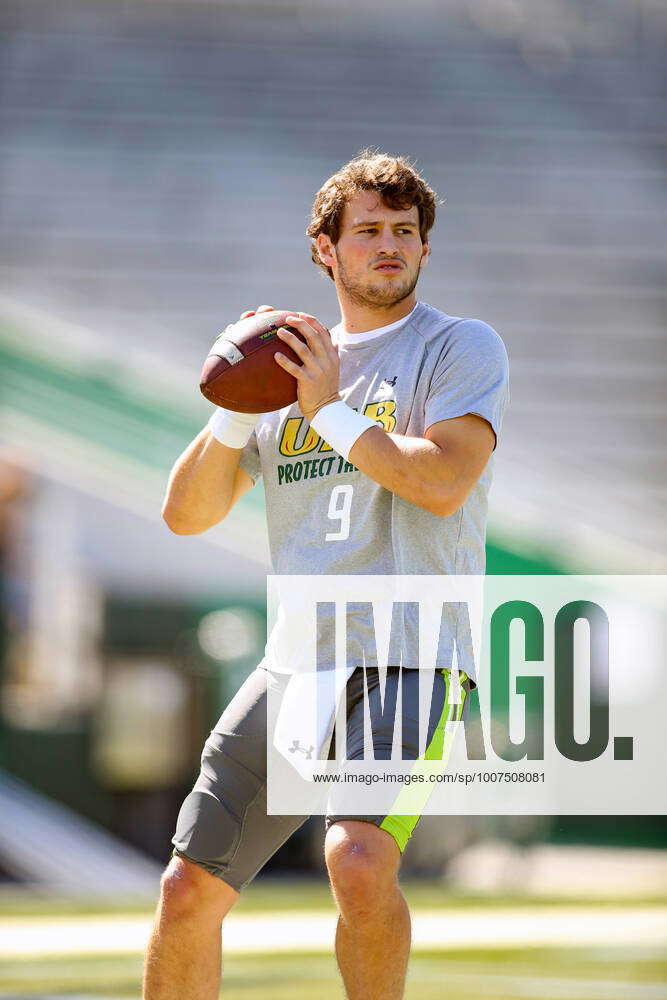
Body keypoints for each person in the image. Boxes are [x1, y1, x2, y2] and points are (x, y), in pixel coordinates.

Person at [143, 151, 509, 1000]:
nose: (390, 246)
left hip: (408, 654)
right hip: (296, 659)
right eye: (369, 231)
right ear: (324, 248)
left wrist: (330, 413)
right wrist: (237, 411)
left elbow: (442, 480)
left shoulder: (458, 346)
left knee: (355, 860)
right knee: (187, 888)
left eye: (405, 233)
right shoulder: (284, 367)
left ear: (424, 248)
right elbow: (186, 514)